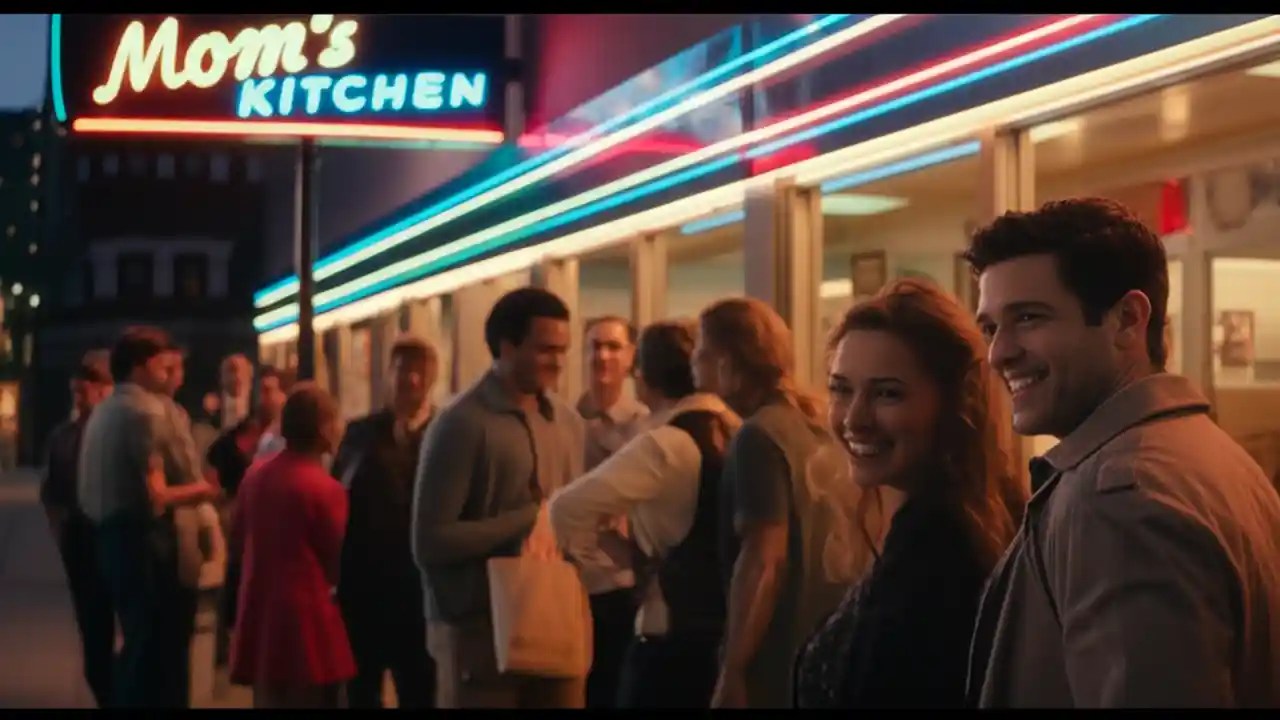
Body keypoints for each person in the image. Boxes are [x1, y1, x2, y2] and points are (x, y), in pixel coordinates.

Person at [966, 198, 1280, 707]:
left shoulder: (1118, 497)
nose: (999, 352)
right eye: (990, 328)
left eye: (1028, 317)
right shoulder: (1205, 452)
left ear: (1128, 321)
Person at [793, 279, 1027, 707]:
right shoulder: (945, 519)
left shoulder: (942, 547)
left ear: (956, 404)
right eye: (841, 389)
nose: (855, 419)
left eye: (887, 393)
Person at [551, 320, 742, 708]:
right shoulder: (738, 430)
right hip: (731, 634)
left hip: (669, 640)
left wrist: (625, 559)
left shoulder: (662, 444)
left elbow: (565, 511)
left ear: (642, 377)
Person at [411, 286, 587, 709]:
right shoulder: (461, 423)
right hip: (478, 630)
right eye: (545, 349)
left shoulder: (567, 422)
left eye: (563, 350)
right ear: (507, 347)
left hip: (555, 617)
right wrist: (528, 520)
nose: (558, 362)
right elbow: (430, 541)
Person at [696, 297, 859, 709]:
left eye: (702, 351)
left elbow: (764, 559)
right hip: (828, 651)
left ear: (725, 362)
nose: (694, 363)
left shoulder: (758, 436)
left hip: (778, 657)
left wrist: (733, 668)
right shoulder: (817, 427)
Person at [78, 326, 220, 708]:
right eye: (162, 366)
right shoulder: (147, 412)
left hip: (108, 539)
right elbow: (157, 494)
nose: (169, 373)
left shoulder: (105, 410)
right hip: (144, 543)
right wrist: (207, 489)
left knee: (138, 638)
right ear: (140, 367)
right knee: (155, 649)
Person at [230, 383, 354, 708]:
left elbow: (238, 537)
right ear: (323, 428)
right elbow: (336, 560)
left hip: (261, 614)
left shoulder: (255, 476)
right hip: (308, 624)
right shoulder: (325, 489)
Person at [334, 336, 440, 708]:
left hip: (420, 596)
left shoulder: (445, 433)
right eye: (402, 369)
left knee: (420, 692)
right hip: (363, 592)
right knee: (361, 693)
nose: (411, 379)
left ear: (432, 377)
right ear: (388, 374)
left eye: (419, 370)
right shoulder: (359, 434)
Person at [576, 315, 648, 708]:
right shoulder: (565, 422)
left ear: (631, 356)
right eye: (595, 346)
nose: (603, 356)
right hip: (573, 583)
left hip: (622, 583)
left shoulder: (645, 426)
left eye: (614, 346)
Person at [40, 351, 115, 708]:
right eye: (77, 392)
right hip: (81, 540)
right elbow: (51, 492)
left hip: (114, 536)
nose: (82, 398)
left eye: (87, 390)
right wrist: (60, 535)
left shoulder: (116, 432)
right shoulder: (64, 436)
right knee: (92, 631)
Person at [205, 365, 293, 666]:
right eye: (261, 390)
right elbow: (214, 466)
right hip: (243, 523)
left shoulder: (289, 434)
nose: (265, 397)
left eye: (271, 391)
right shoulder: (242, 433)